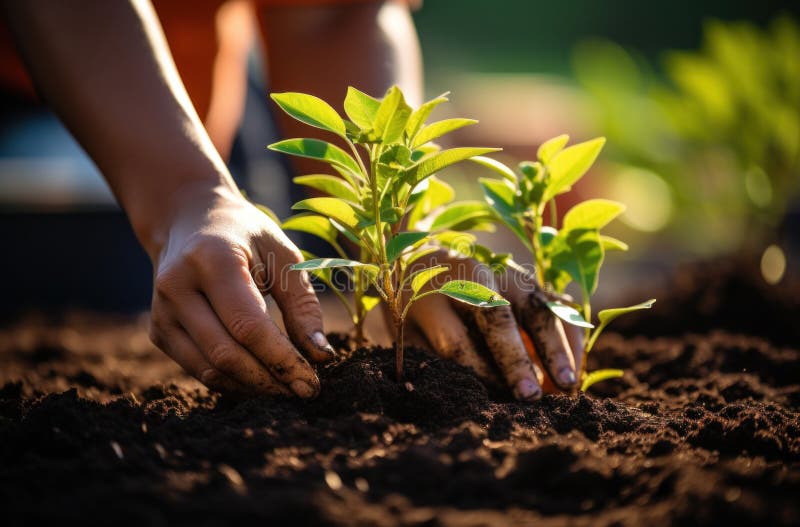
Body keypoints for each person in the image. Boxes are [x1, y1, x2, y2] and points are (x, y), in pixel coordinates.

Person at [0, 0, 582, 401]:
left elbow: (325, 15)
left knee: (235, 283)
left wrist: (405, 235)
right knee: (113, 287)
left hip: (198, 100)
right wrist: (184, 192)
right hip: (31, 82)